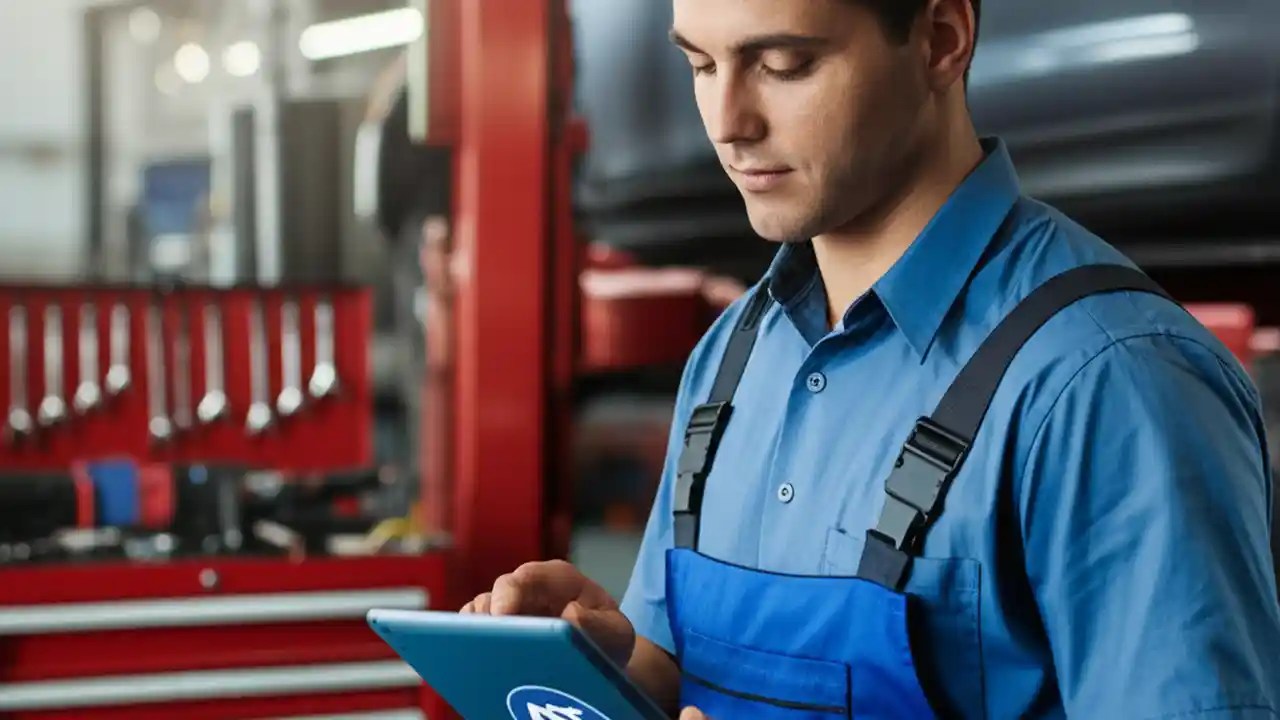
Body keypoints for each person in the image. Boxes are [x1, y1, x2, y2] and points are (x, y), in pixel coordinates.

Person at [463, 0, 1280, 717]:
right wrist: (607, 673)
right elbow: (690, 675)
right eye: (701, 65)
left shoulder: (1107, 383)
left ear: (941, 39)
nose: (728, 121)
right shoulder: (732, 359)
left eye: (784, 64)